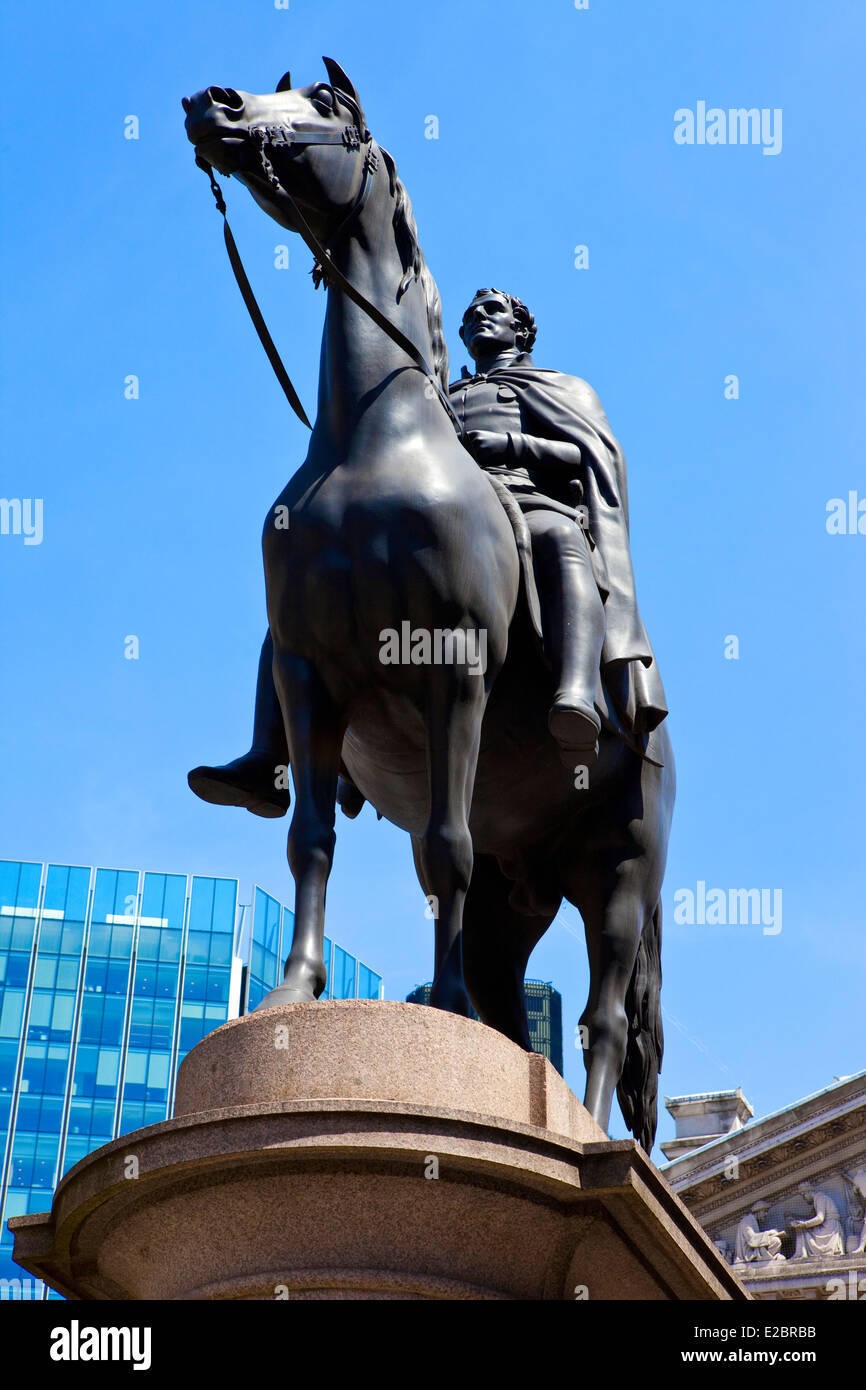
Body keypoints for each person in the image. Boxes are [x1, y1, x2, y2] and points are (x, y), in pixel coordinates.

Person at [188, 288, 667, 815]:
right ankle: (268, 758)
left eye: (494, 311)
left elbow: (588, 453)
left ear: (521, 330)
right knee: (309, 595)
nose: (479, 318)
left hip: (522, 503)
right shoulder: (438, 392)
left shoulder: (558, 388)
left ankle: (576, 693)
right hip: (438, 517)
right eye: (470, 316)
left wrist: (512, 447)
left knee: (562, 540)